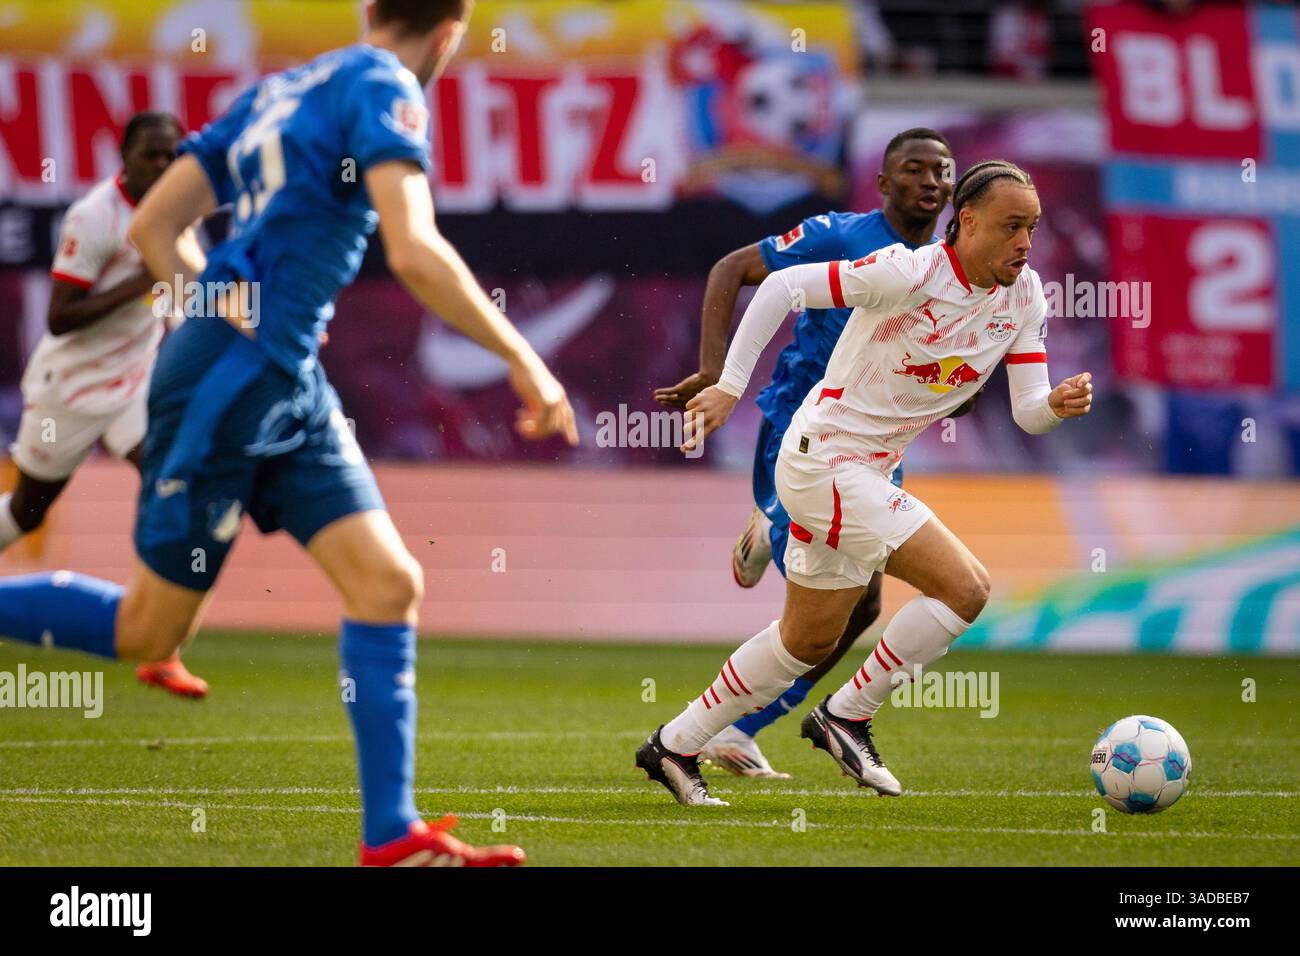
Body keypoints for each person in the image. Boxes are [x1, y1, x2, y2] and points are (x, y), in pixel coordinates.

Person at [0, 0, 578, 866]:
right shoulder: (386, 86)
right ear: (451, 32)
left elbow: (156, 226)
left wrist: (227, 305)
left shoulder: (281, 88)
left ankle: (390, 835)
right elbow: (413, 249)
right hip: (229, 384)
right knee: (148, 635)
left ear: (369, 9)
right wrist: (525, 360)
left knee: (387, 583)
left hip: (281, 375)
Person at [637, 160, 1093, 805]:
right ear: (966, 223)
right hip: (824, 462)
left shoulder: (1024, 296)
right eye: (1011, 226)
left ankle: (673, 745)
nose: (1025, 243)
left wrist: (1058, 407)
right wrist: (729, 386)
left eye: (1033, 228)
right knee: (967, 588)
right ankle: (847, 715)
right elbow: (781, 287)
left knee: (807, 640)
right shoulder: (907, 272)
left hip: (864, 472)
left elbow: (1028, 411)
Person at [654, 128, 975, 778]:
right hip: (800, 424)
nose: (929, 181)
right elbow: (733, 269)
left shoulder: (949, 266)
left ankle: (743, 728)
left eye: (941, 171)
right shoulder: (841, 233)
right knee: (824, 554)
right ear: (883, 184)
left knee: (863, 607)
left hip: (875, 441)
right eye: (913, 170)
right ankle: (770, 522)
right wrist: (717, 373)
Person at [0, 111, 208, 699]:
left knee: (172, 486)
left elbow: (192, 290)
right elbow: (60, 317)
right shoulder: (94, 216)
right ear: (124, 156)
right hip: (69, 389)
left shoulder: (176, 217)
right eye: (151, 155)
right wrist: (141, 281)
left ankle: (159, 646)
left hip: (133, 388)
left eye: (172, 156)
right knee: (27, 513)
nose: (163, 167)